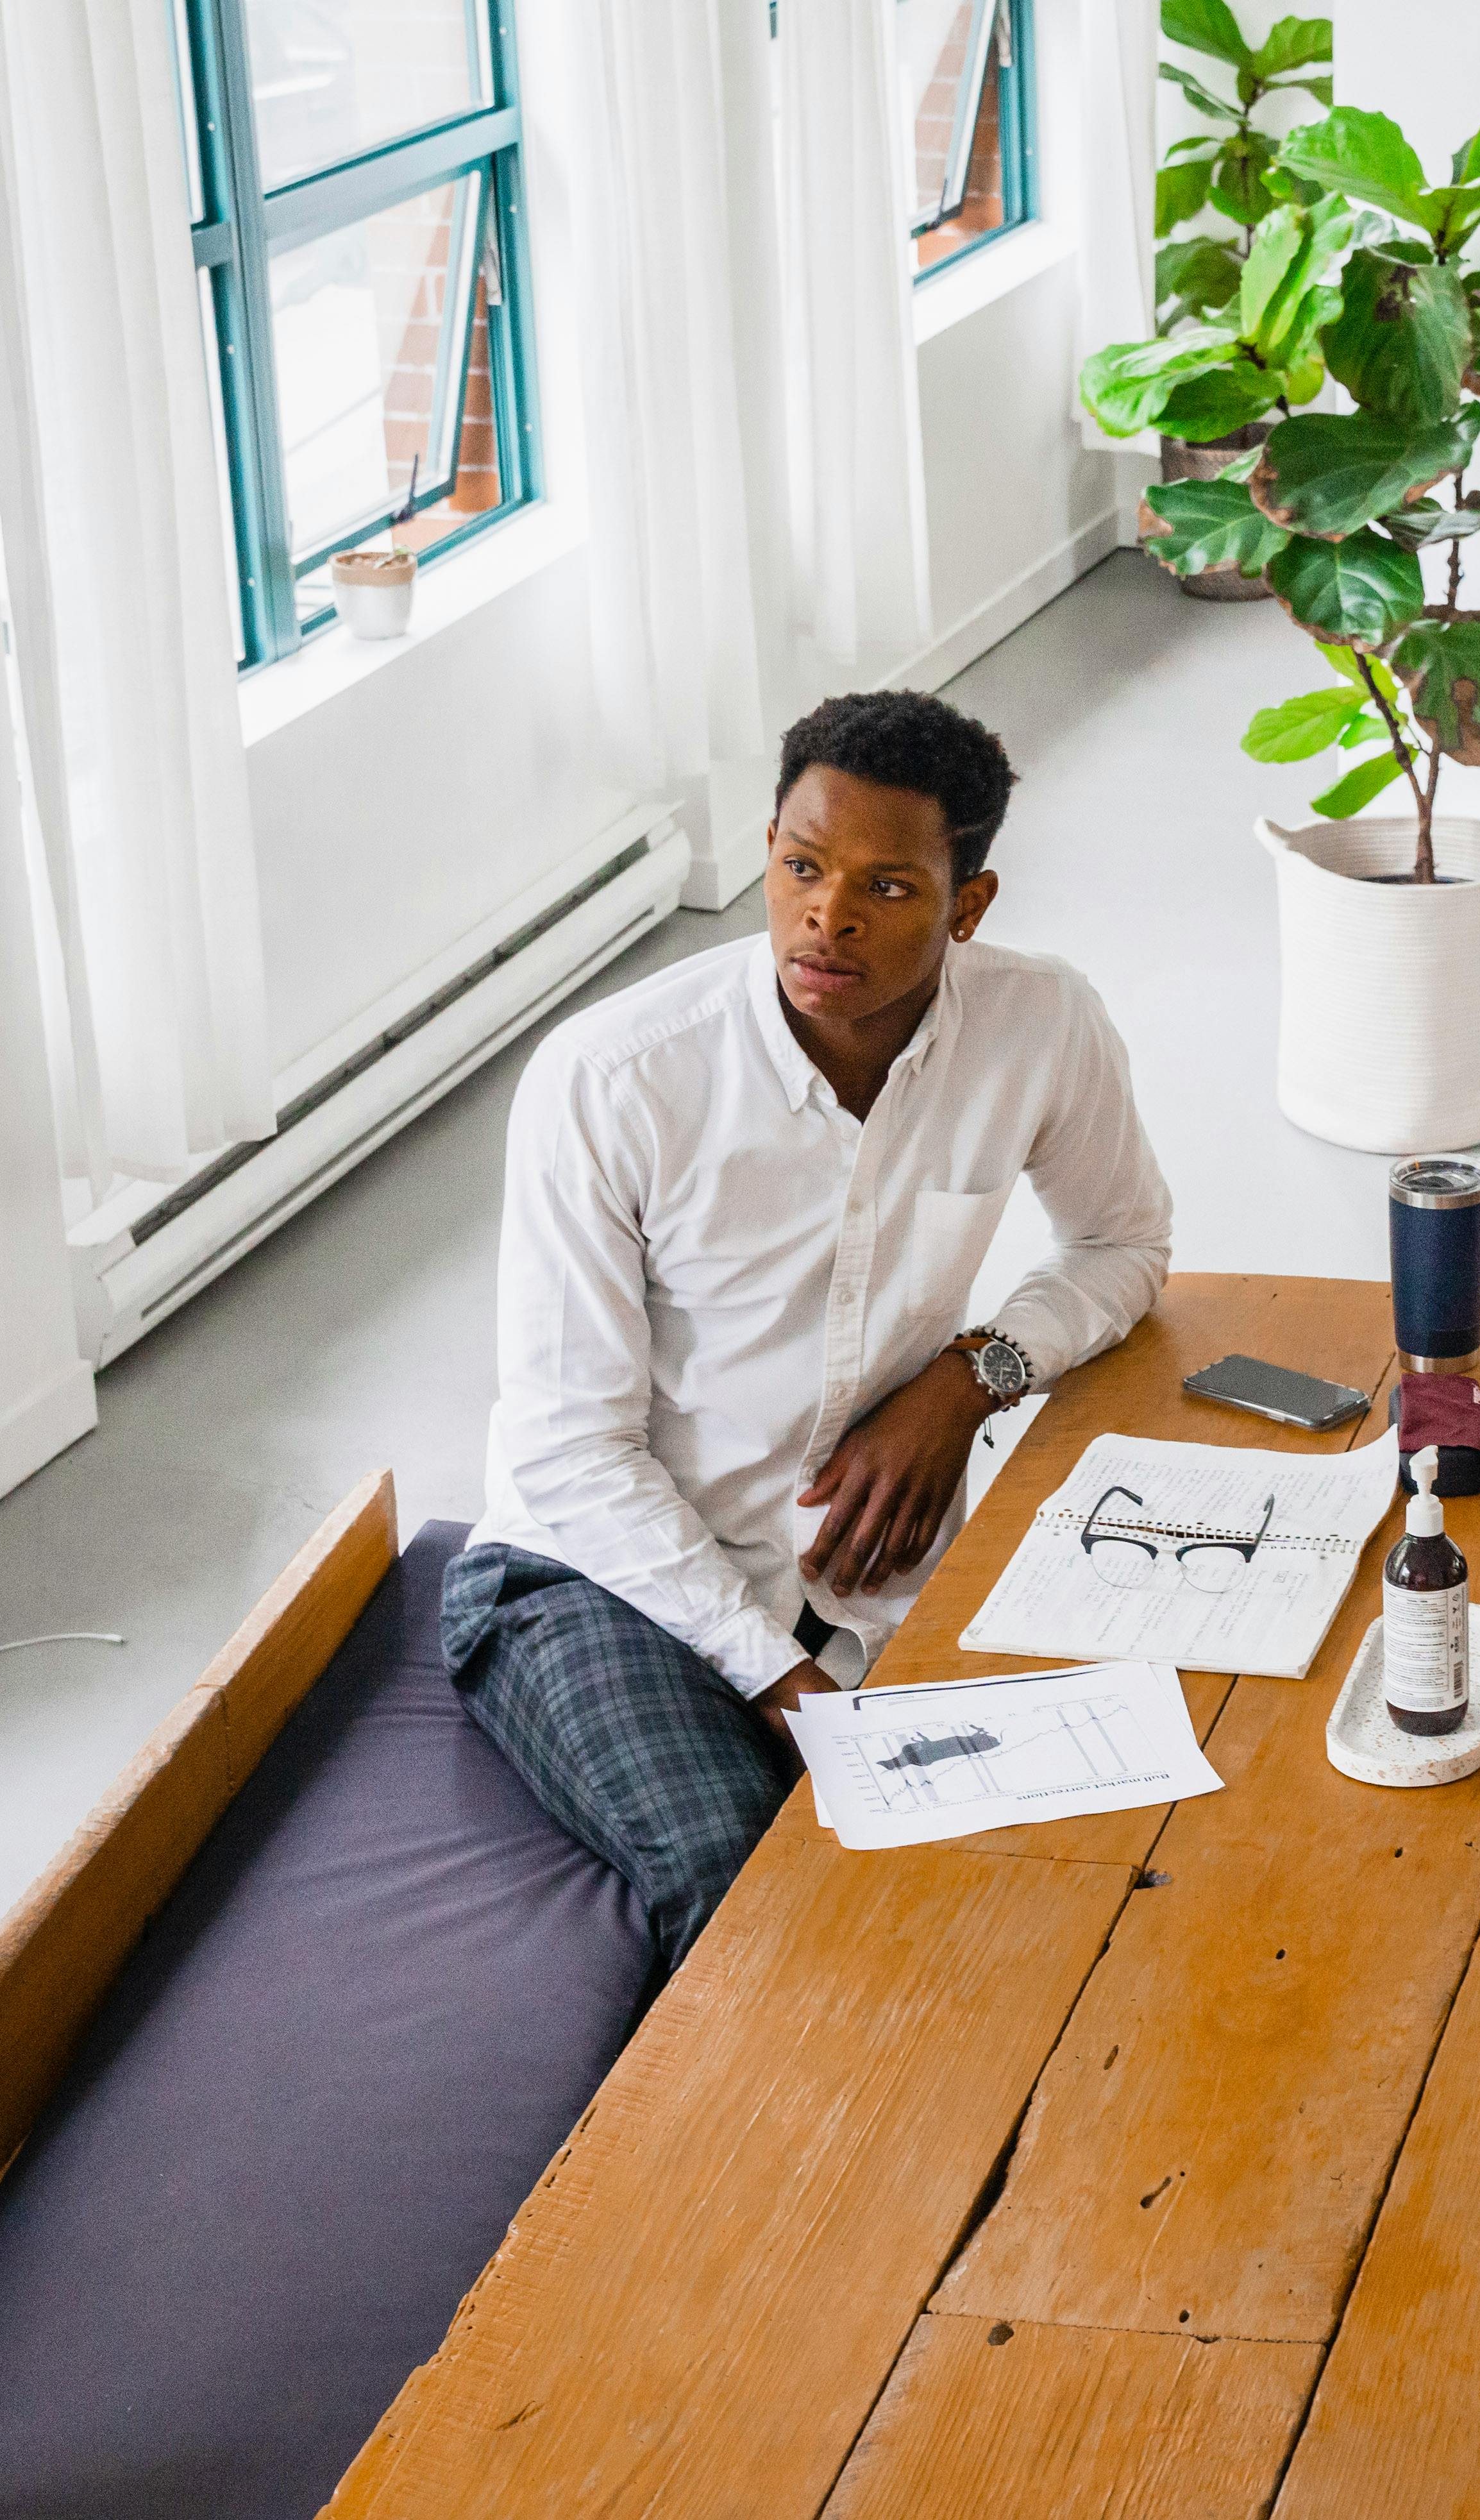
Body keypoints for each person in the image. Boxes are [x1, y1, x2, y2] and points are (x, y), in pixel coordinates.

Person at [443, 689, 1172, 1972]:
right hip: (598, 1582)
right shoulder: (614, 1079)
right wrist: (782, 1685)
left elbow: (1123, 1244)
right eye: (800, 867)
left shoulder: (1040, 1023)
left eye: (888, 887)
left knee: (1084, 1848)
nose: (826, 918)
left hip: (859, 1568)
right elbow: (568, 1452)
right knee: (744, 1878)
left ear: (970, 905)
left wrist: (970, 1376)